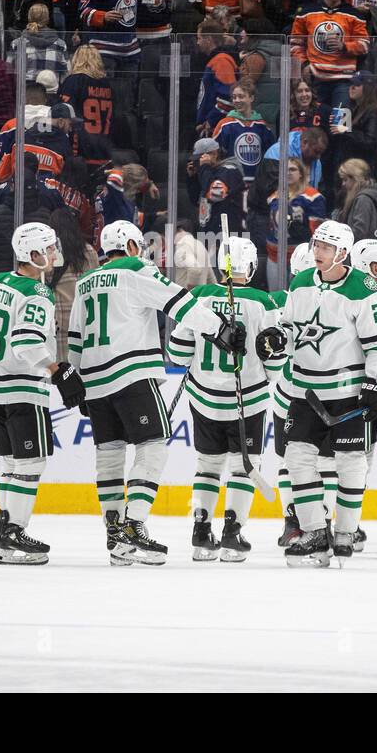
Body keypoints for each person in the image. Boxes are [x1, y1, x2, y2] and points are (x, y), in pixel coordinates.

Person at [69, 219, 243, 566]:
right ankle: (134, 527)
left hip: (94, 379)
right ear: (133, 246)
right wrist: (220, 329)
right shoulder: (136, 269)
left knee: (109, 453)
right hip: (131, 373)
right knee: (153, 445)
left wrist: (79, 378)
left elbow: (75, 335)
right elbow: (180, 303)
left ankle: (115, 535)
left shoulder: (85, 281)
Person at [253, 220, 377, 566]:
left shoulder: (363, 288)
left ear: (343, 253)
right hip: (305, 390)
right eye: (316, 245)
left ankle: (345, 532)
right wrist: (276, 341)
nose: (317, 252)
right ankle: (315, 531)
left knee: (350, 464)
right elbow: (289, 330)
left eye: (325, 247)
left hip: (347, 392)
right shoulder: (301, 282)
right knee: (297, 458)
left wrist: (375, 381)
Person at [0, 221, 87, 564]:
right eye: (48, 249)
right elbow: (26, 341)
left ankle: (6, 534)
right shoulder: (38, 293)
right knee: (31, 463)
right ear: (32, 255)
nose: (54, 254)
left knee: (11, 464)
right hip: (21, 389)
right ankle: (14, 533)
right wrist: (56, 370)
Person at [166, 236, 278, 561]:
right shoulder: (264, 303)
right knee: (244, 467)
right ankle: (233, 532)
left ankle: (201, 533)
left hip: (203, 399)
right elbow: (275, 363)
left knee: (208, 465)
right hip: (248, 400)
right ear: (253, 266)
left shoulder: (198, 296)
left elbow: (177, 353)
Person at [288, 0, 370, 112]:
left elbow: (364, 45)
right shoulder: (306, 12)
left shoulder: (354, 14)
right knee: (317, 123)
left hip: (344, 80)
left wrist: (344, 46)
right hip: (316, 78)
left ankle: (342, 133)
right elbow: (295, 44)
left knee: (341, 125)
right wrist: (304, 65)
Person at [186, 136, 245, 237]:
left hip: (226, 233)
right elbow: (196, 200)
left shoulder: (229, 171)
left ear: (214, 154)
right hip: (208, 231)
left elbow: (215, 194)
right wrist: (193, 179)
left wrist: (204, 168)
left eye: (200, 159)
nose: (198, 163)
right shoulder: (208, 172)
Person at [335, 158, 377, 242]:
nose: (343, 184)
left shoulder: (363, 200)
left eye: (345, 180)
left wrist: (336, 233)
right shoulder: (363, 197)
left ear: (355, 178)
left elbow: (359, 232)